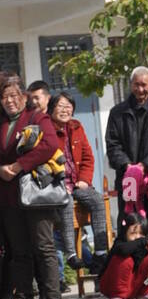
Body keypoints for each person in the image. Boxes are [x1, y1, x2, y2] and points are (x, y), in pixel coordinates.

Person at [0, 75, 63, 299]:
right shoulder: (2, 122)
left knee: (44, 246)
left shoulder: (37, 117)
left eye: (14, 96)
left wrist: (18, 166)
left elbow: (49, 144)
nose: (10, 101)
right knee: (19, 251)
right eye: (5, 97)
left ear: (23, 97)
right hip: (8, 196)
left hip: (35, 192)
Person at [48, 92, 110, 271]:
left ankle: (100, 252)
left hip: (77, 182)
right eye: (60, 106)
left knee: (97, 200)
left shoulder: (77, 126)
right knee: (66, 205)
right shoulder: (46, 130)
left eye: (68, 107)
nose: (65, 110)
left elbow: (88, 157)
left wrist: (84, 180)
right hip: (57, 184)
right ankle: (71, 255)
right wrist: (58, 184)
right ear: (51, 109)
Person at [105, 67, 148, 203]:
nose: (140, 89)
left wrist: (145, 165)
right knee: (130, 216)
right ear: (130, 84)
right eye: (136, 85)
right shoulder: (117, 112)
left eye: (144, 85)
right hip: (127, 177)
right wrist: (128, 166)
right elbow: (112, 144)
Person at [97, 216, 148, 299]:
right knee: (125, 259)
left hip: (132, 287)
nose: (137, 237)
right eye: (133, 233)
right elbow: (124, 250)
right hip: (111, 286)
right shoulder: (120, 243)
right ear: (125, 232)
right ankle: (117, 296)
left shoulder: (146, 243)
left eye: (141, 234)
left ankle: (144, 294)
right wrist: (142, 241)